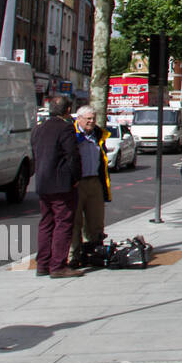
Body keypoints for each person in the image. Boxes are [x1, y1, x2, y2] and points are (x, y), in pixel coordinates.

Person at [30, 95, 82, 278]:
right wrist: (77, 177)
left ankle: (42, 264)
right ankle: (58, 265)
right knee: (63, 223)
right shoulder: (65, 128)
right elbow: (72, 156)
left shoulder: (38, 129)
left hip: (43, 182)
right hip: (61, 184)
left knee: (46, 222)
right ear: (68, 110)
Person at [68, 106, 111, 269]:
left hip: (94, 182)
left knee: (96, 219)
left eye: (93, 118)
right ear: (78, 119)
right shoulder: (72, 135)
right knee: (75, 221)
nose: (91, 122)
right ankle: (75, 255)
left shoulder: (98, 134)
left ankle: (95, 251)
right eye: (88, 119)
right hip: (77, 184)